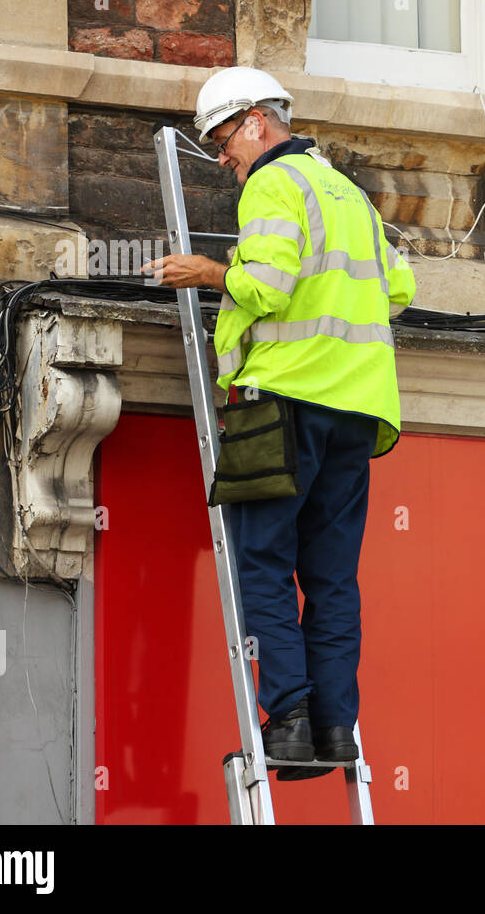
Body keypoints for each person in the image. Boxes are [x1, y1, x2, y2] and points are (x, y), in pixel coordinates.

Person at [143, 67, 415, 781]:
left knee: (262, 560)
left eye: (223, 138)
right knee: (331, 577)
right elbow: (401, 287)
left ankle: (288, 720)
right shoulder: (347, 191)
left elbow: (267, 283)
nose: (222, 157)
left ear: (257, 120)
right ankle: (333, 728)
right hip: (356, 411)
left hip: (282, 403)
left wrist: (205, 271)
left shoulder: (273, 182)